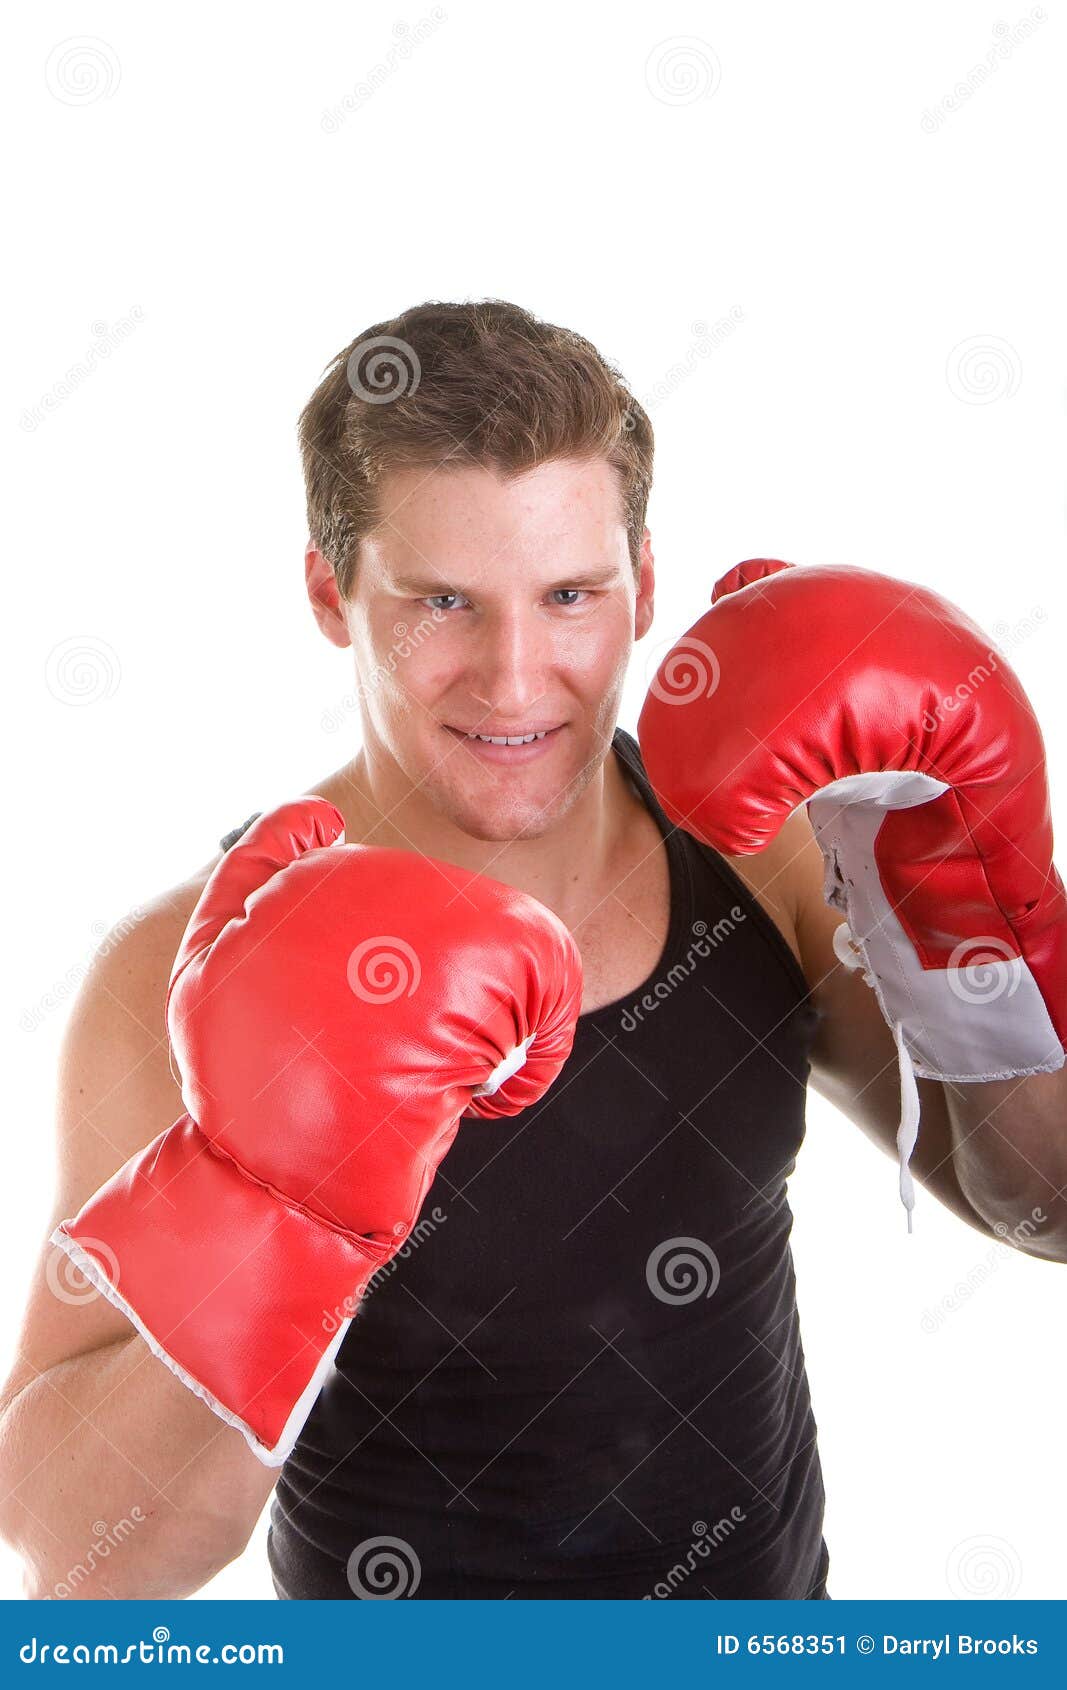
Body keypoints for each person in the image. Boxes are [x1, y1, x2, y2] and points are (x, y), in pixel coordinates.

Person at [2, 301, 1064, 1602]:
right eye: (443, 600)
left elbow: (1044, 1205)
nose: (515, 681)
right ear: (333, 595)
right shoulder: (185, 965)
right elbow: (76, 1549)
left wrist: (967, 914)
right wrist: (267, 1200)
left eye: (570, 596)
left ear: (646, 588)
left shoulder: (764, 858)